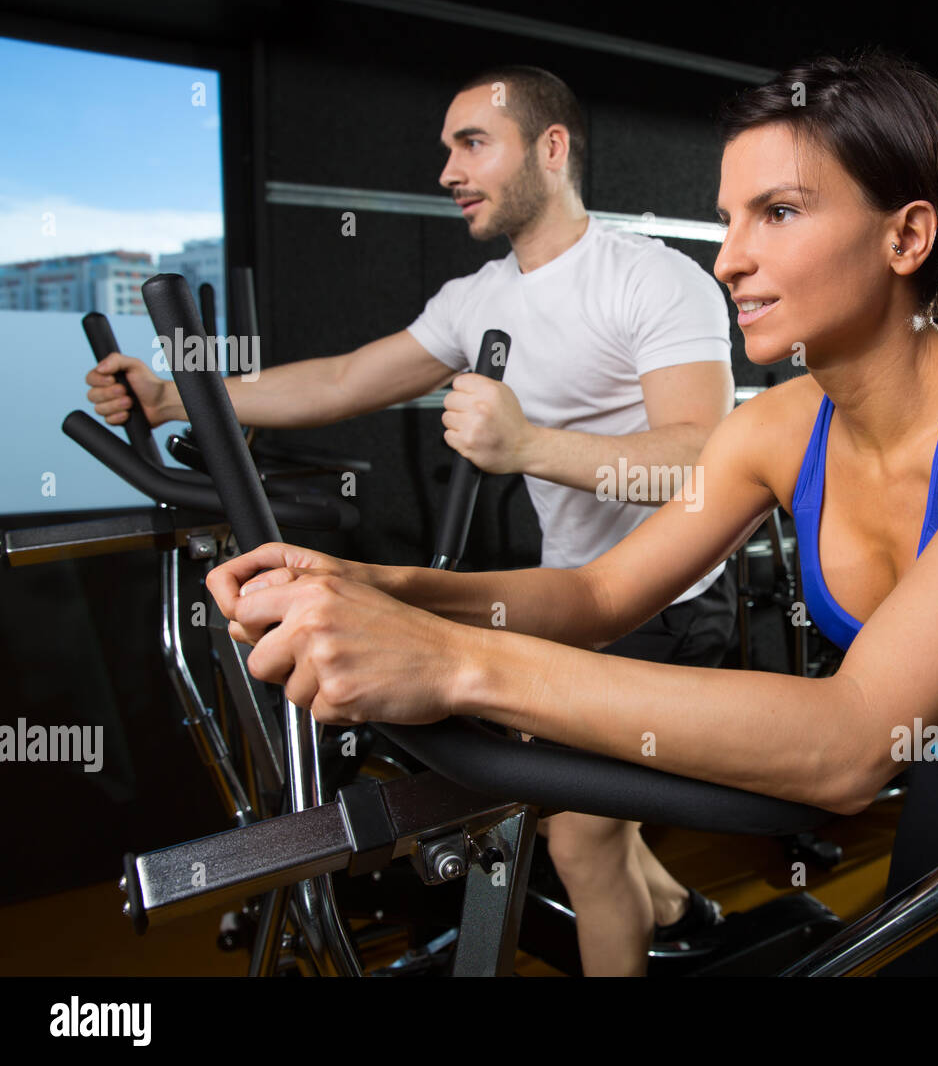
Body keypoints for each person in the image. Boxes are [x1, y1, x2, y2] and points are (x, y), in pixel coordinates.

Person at [204, 49, 938, 977]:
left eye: (776, 213)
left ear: (908, 234)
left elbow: (851, 742)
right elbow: (600, 591)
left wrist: (449, 662)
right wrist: (373, 586)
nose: (728, 258)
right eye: (729, 216)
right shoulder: (777, 427)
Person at [86, 65, 737, 976]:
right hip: (569, 601)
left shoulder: (655, 282)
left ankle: (650, 902)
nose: (446, 170)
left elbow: (701, 463)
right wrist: (172, 401)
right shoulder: (477, 299)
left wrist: (528, 446)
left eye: (472, 143)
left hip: (671, 601)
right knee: (581, 814)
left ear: (552, 149)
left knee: (582, 839)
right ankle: (675, 905)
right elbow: (348, 378)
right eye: (445, 149)